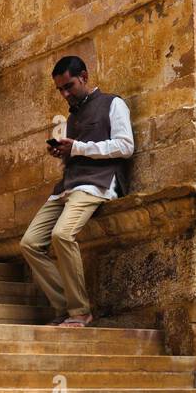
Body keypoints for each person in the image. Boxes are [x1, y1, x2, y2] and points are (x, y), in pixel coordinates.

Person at [19, 56, 135, 328]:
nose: (65, 94)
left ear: (84, 76)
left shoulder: (113, 103)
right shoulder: (73, 116)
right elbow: (78, 151)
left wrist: (79, 147)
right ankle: (64, 307)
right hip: (67, 187)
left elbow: (125, 146)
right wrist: (63, 151)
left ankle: (80, 312)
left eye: (68, 86)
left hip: (97, 183)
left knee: (62, 235)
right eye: (60, 90)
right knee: (30, 243)